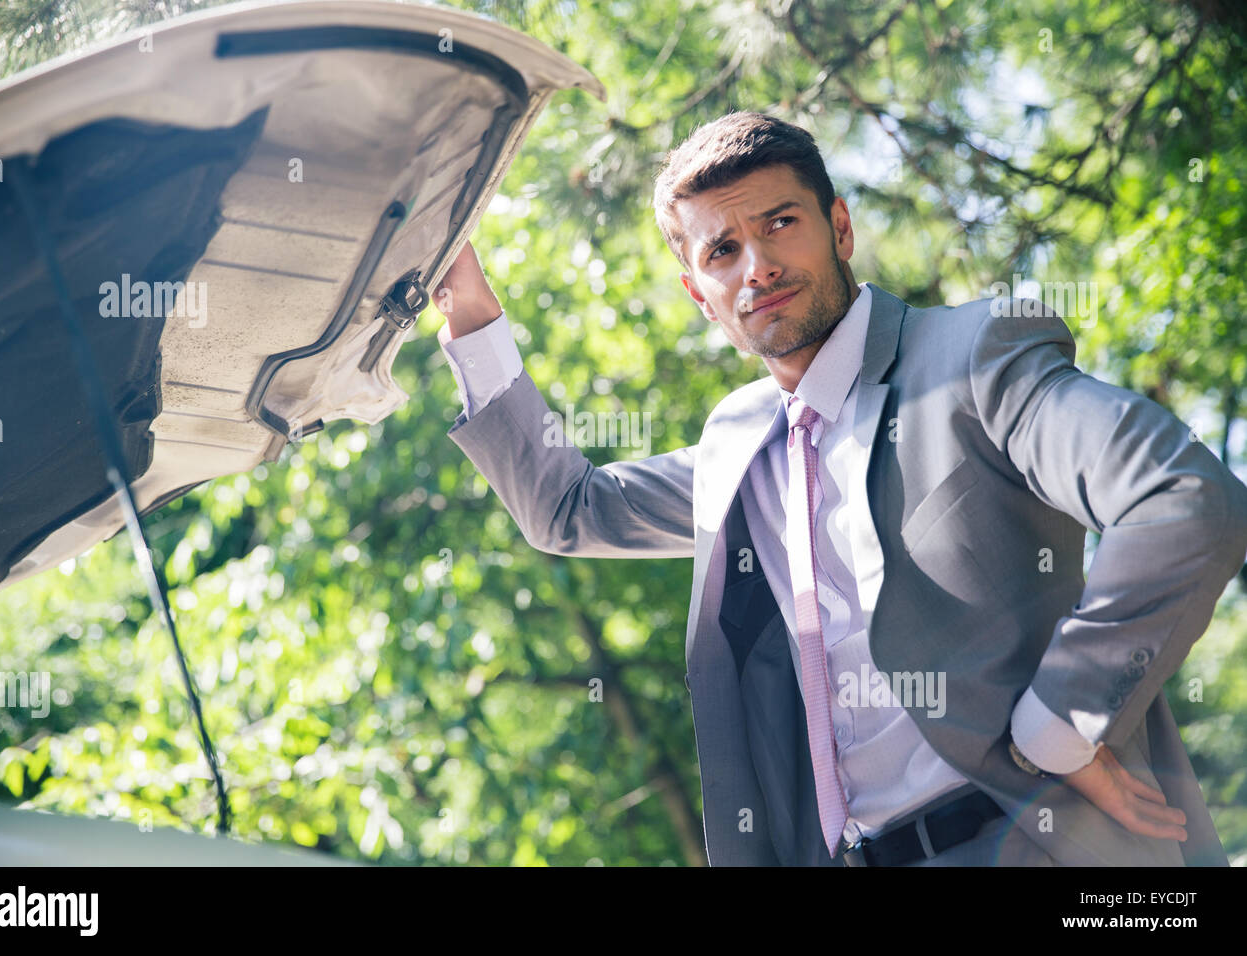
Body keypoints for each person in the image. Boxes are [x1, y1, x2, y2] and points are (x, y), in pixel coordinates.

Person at [431, 111, 1247, 866]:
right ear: (698, 295)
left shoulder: (973, 356)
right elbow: (568, 510)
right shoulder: (738, 447)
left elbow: (1181, 497)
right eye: (722, 251)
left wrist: (1059, 725)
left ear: (840, 226)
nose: (759, 266)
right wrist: (469, 313)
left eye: (780, 223)